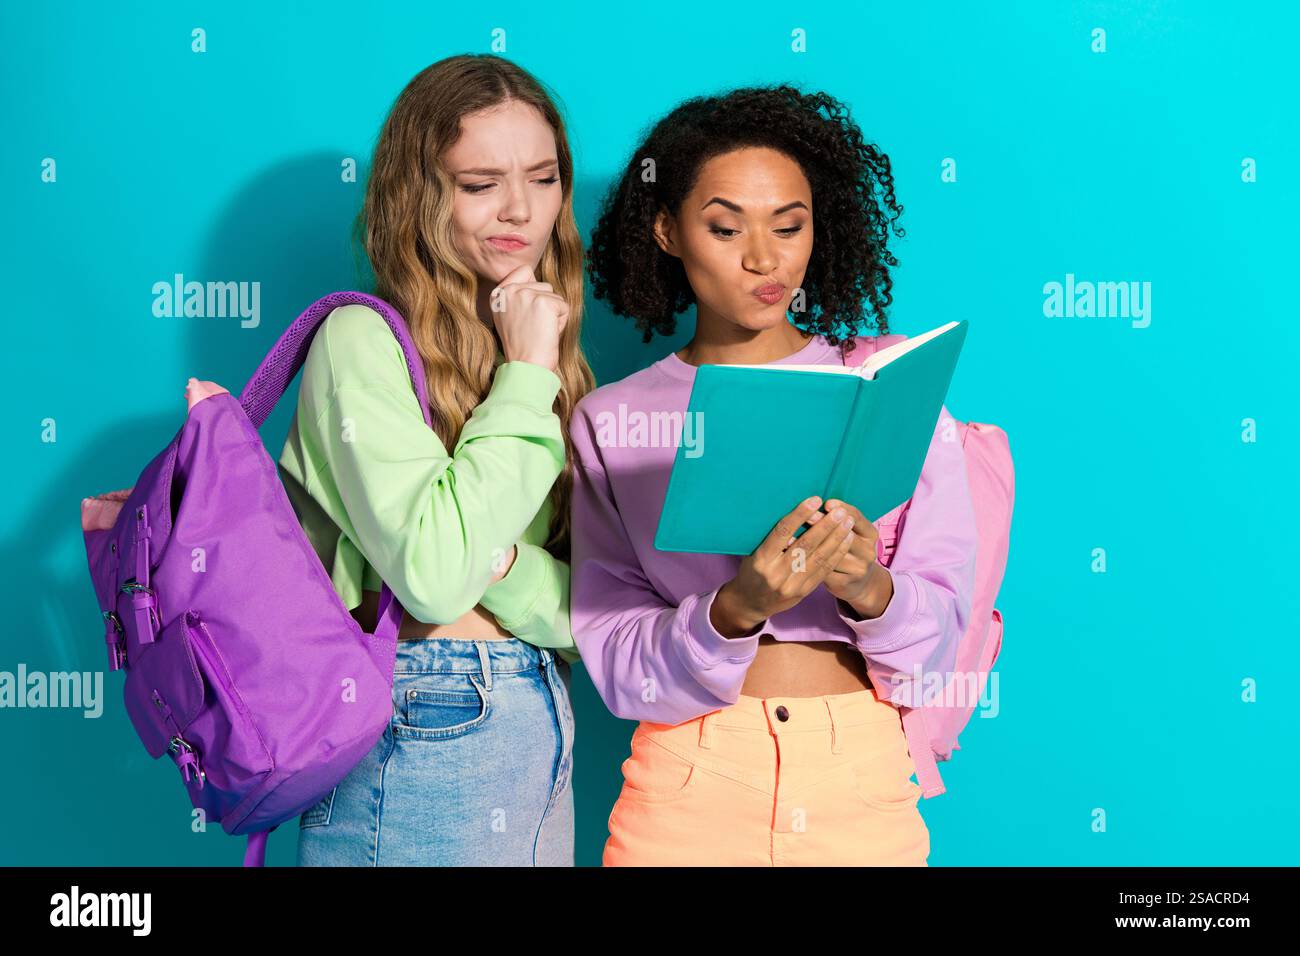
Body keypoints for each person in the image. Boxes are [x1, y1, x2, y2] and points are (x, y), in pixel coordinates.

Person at [571, 85, 978, 866]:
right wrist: (736, 608)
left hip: (856, 772)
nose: (765, 259)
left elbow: (935, 659)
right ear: (667, 230)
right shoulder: (612, 420)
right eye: (726, 228)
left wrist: (869, 586)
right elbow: (619, 665)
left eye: (789, 227)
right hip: (690, 779)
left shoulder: (889, 390)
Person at [277, 54, 594, 866]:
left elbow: (588, 615)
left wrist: (506, 567)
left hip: (535, 711)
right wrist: (527, 374)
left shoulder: (535, 345)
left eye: (545, 177)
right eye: (480, 182)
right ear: (421, 195)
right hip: (425, 706)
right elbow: (433, 577)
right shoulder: (360, 342)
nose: (521, 209)